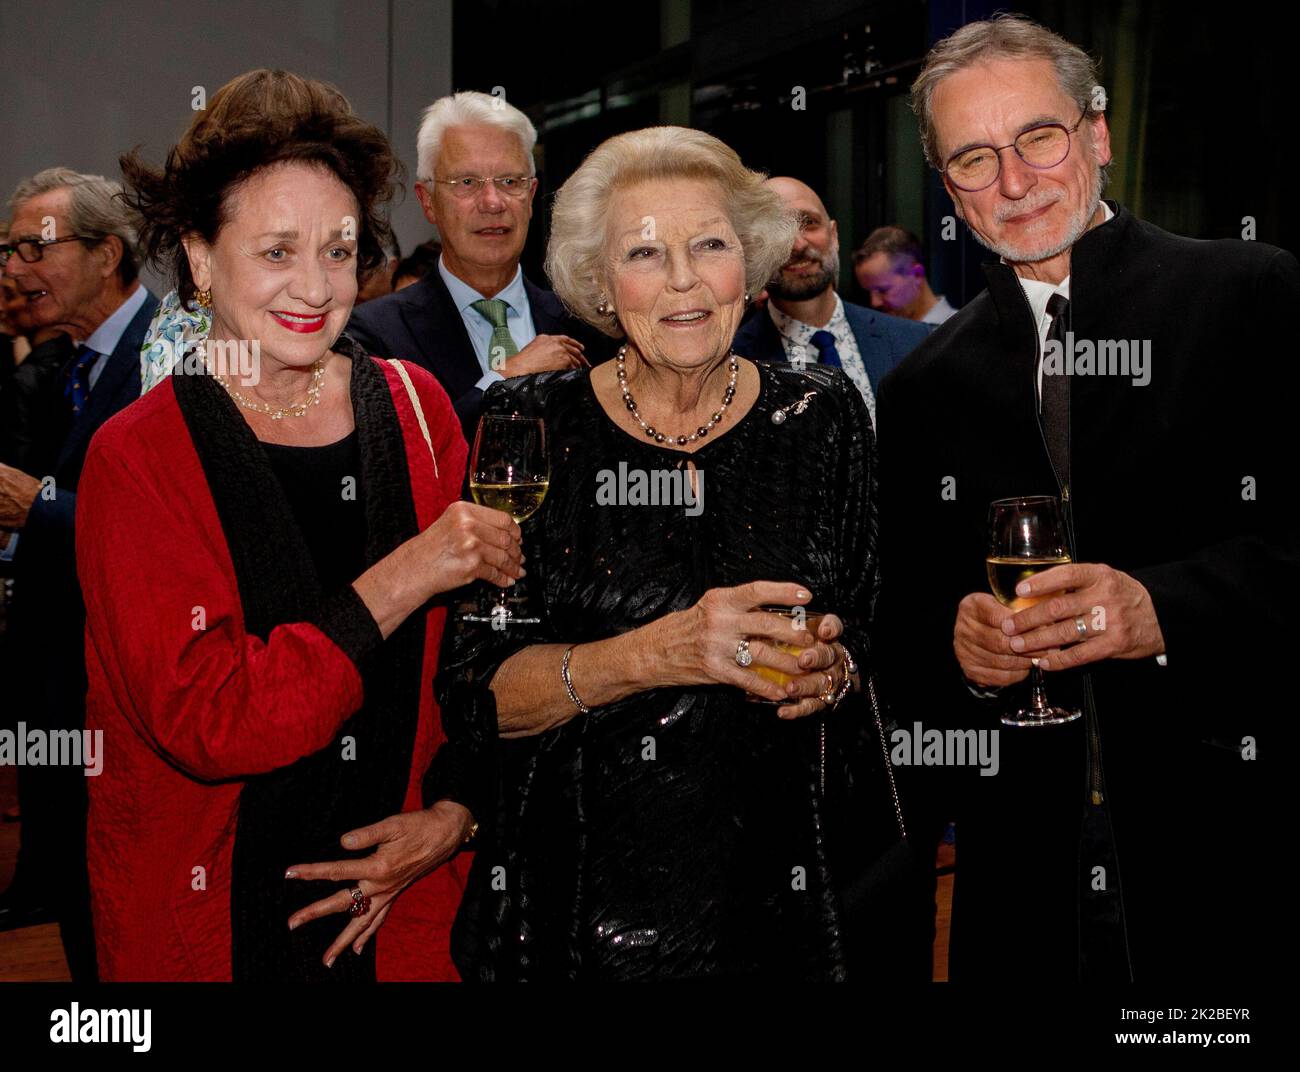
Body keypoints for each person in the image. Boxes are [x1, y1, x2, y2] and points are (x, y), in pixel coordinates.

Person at [439, 126, 926, 981]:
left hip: (795, 903)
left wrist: (834, 671)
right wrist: (657, 652)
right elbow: (478, 695)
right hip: (585, 904)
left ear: (754, 258)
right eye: (643, 252)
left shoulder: (823, 416)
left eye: (709, 244)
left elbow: (868, 633)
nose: (682, 281)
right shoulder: (530, 422)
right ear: (598, 281)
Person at [77, 69, 521, 982]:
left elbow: (483, 651)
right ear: (200, 259)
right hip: (219, 918)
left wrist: (456, 812)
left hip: (407, 905)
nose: (316, 288)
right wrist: (404, 574)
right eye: (276, 251)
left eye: (339, 249)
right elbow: (212, 721)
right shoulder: (140, 457)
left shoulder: (416, 405)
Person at [876, 13, 1290, 981]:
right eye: (974, 159)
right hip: (1021, 892)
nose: (1013, 182)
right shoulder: (921, 387)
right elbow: (901, 643)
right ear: (948, 191)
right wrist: (962, 648)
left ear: (1096, 135)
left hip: (1228, 863)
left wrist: (1160, 609)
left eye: (1038, 138)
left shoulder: (1250, 298)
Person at [0, 168, 155, 975]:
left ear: (107, 253)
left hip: (122, 694)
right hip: (56, 684)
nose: (15, 266)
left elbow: (167, 527)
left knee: (120, 907)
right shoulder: (71, 363)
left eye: (36, 245)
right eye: (9, 248)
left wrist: (40, 508)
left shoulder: (171, 354)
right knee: (71, 890)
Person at [347, 91, 615, 441]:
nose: (492, 202)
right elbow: (402, 460)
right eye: (467, 183)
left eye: (509, 182)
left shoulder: (589, 325)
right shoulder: (377, 335)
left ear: (531, 196)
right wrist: (506, 381)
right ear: (428, 202)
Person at [730, 177, 929, 427]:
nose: (797, 244)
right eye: (775, 231)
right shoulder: (733, 365)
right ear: (751, 251)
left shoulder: (912, 341)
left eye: (809, 223)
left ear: (833, 235)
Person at [853, 225, 956, 324]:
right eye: (868, 293)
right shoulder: (875, 333)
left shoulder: (959, 331)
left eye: (882, 290)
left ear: (917, 274)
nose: (874, 302)